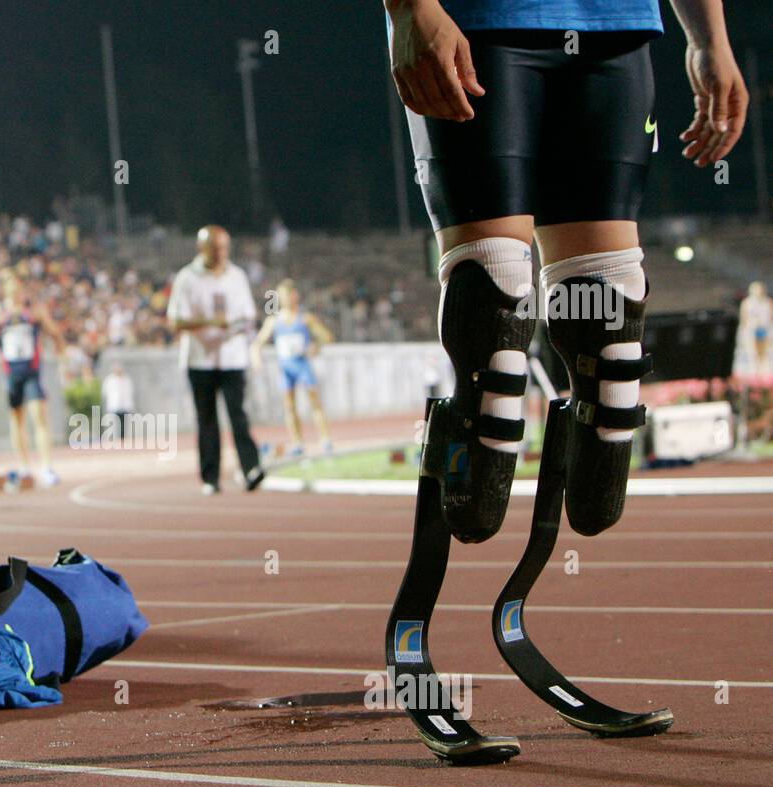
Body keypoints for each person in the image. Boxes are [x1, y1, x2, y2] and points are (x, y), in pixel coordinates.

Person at [387, 0, 747, 540]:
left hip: (615, 27)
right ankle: (469, 475)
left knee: (608, 317)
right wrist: (411, 8)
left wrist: (708, 38)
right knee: (495, 301)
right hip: (477, 24)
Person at [166, 225, 265, 494]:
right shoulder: (187, 278)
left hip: (233, 357)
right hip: (200, 360)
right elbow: (175, 320)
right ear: (203, 248)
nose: (221, 253)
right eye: (215, 248)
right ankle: (211, 477)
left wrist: (237, 328)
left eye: (224, 247)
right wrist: (209, 323)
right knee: (207, 420)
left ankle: (251, 469)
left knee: (239, 414)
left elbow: (248, 314)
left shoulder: (237, 276)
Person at [0, 267, 66, 486]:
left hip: (32, 371)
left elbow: (55, 334)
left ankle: (47, 467)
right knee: (17, 419)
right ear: (5, 290)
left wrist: (62, 359)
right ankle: (24, 467)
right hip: (12, 373)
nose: (16, 293)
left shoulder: (35, 311)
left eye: (19, 289)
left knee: (39, 416)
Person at [251, 278, 335, 456]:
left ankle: (325, 439)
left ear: (295, 295)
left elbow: (326, 336)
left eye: (288, 295)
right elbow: (257, 343)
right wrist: (257, 360)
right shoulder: (274, 321)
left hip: (302, 364)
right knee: (289, 406)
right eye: (281, 296)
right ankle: (297, 443)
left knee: (315, 402)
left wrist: (316, 347)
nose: (285, 299)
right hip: (286, 367)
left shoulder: (305, 318)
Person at [737, 281, 771, 376]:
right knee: (753, 355)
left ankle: (764, 375)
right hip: (751, 330)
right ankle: (754, 374)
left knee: (764, 356)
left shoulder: (768, 302)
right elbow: (744, 319)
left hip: (764, 330)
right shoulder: (747, 303)